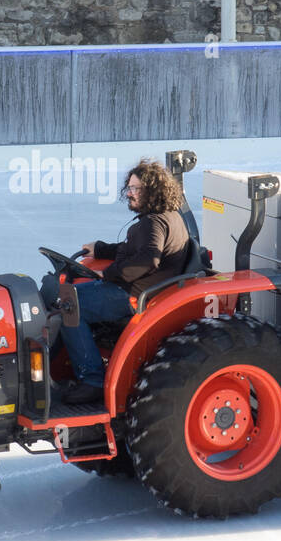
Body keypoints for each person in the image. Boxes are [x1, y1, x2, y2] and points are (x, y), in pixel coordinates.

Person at [41, 158, 190, 405]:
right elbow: (133, 249)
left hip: (133, 294)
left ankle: (92, 380)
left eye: (136, 189)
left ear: (153, 190)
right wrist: (100, 249)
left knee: (70, 305)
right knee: (70, 294)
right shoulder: (165, 217)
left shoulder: (154, 223)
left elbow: (147, 260)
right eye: (129, 188)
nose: (130, 194)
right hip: (137, 287)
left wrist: (108, 274)